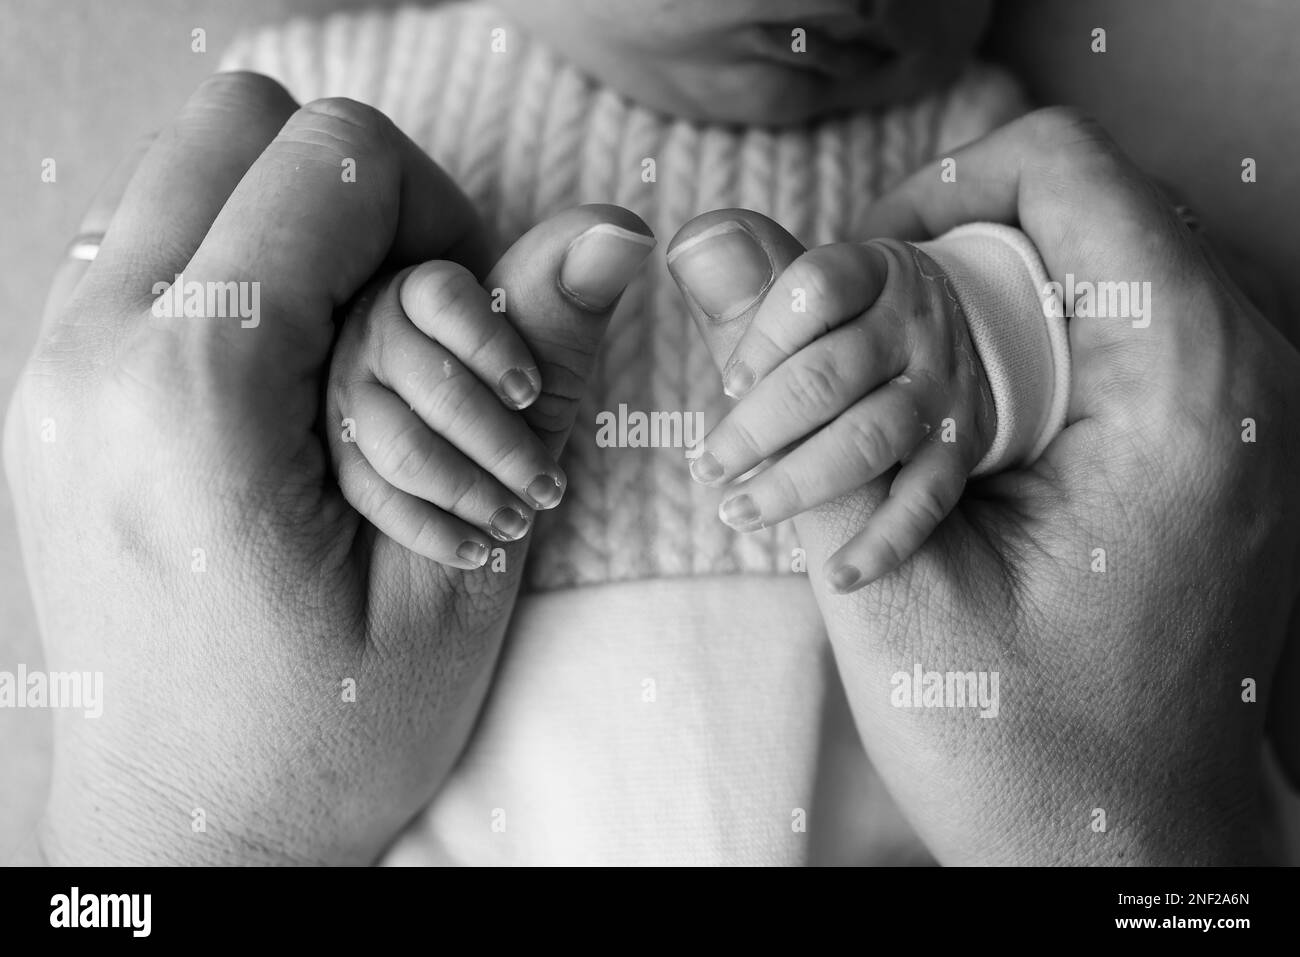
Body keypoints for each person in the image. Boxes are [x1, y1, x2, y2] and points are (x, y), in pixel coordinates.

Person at [5, 0, 1298, 865]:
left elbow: (1106, 369)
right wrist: (379, 401)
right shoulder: (332, 93)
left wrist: (972, 350)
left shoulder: (983, 128)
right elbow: (213, 397)